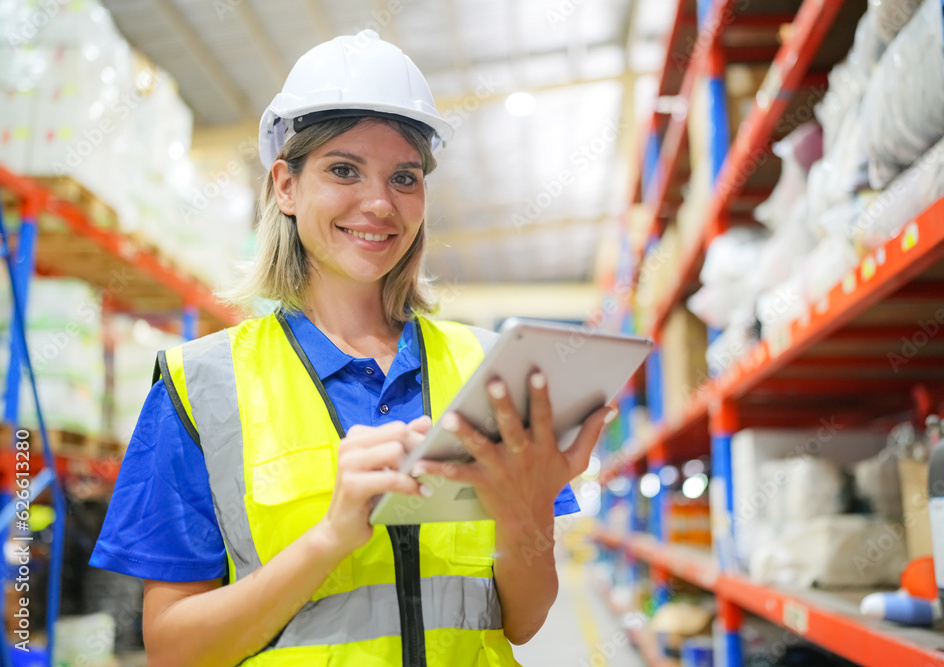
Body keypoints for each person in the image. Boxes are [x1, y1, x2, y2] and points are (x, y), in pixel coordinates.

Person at [91, 30, 617, 667]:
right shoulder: (199, 385)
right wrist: (331, 538)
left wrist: (527, 510)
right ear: (285, 185)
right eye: (344, 169)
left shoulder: (487, 368)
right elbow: (174, 650)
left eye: (405, 177)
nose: (379, 204)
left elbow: (525, 622)